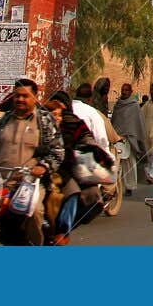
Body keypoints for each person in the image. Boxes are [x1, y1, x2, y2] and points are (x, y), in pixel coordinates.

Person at [0, 78, 64, 246]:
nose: (20, 99)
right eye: (17, 96)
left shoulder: (44, 120)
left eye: (25, 96)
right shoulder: (4, 120)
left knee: (34, 212)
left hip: (29, 183)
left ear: (35, 97)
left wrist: (43, 166)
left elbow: (58, 151)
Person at [44, 90, 111, 243]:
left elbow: (87, 141)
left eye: (60, 110)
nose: (57, 115)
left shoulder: (74, 123)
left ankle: (63, 231)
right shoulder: (40, 124)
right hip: (43, 169)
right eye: (53, 110)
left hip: (69, 168)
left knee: (92, 195)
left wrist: (97, 157)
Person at [111, 82, 147, 194]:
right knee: (117, 163)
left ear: (131, 92)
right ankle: (116, 186)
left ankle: (130, 186)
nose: (124, 92)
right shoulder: (118, 105)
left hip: (130, 139)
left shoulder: (134, 106)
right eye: (123, 90)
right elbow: (115, 121)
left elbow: (137, 123)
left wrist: (132, 135)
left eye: (127, 90)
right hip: (118, 138)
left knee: (130, 163)